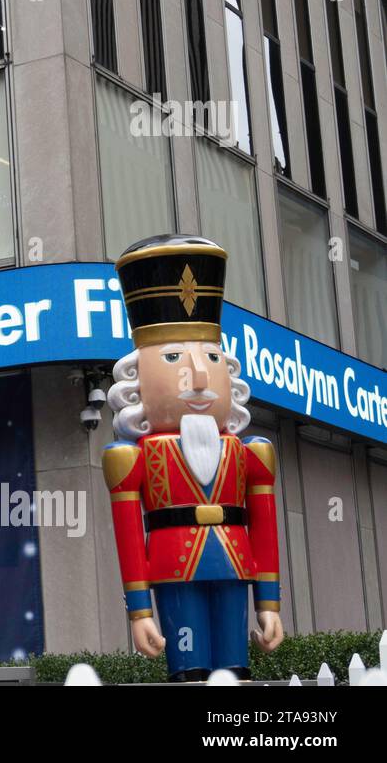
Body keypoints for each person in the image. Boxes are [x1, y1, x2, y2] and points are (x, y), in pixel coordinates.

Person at [105, 234, 284, 681]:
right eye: (171, 357)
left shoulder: (251, 453)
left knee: (235, 669)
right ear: (136, 379)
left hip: (234, 566)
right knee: (190, 671)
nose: (200, 376)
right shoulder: (131, 458)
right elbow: (128, 536)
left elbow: (263, 528)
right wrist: (139, 610)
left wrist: (269, 601)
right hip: (171, 569)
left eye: (211, 356)